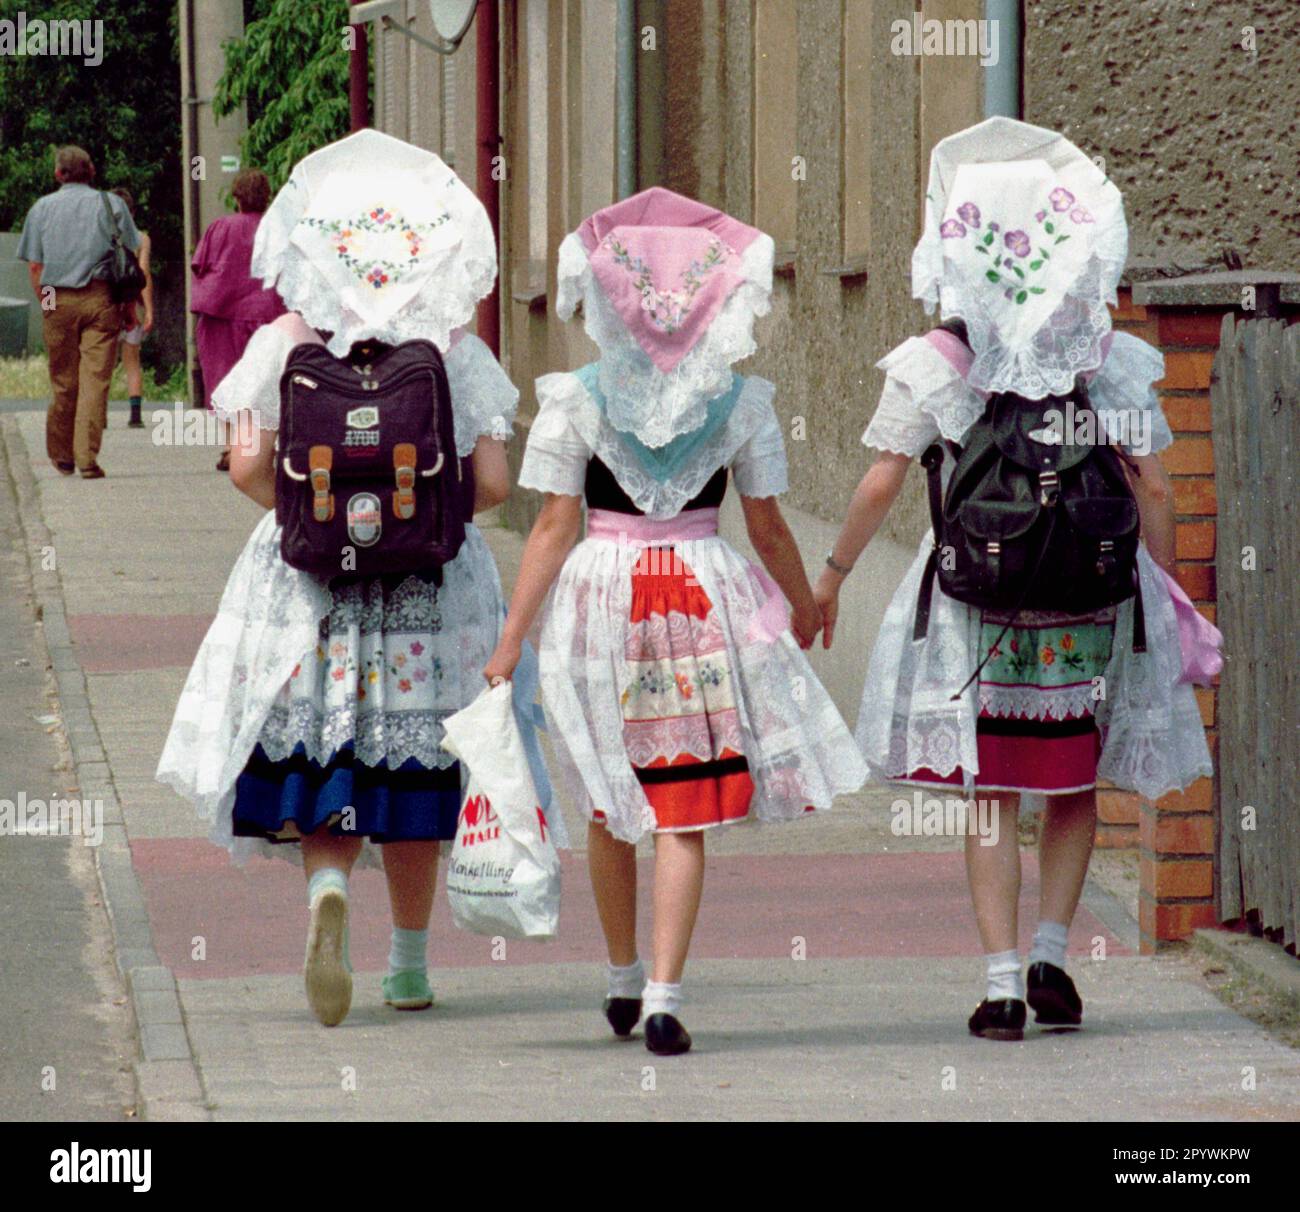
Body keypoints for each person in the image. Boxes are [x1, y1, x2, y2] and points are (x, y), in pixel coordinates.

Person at [814, 118, 1213, 1041]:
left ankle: (997, 987)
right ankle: (1051, 957)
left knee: (992, 788)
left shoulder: (943, 362)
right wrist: (1168, 582)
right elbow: (1153, 482)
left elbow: (882, 477)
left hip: (978, 604)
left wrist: (832, 576)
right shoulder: (1111, 364)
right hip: (1088, 603)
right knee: (1071, 784)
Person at [156, 129, 539, 1027]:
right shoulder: (452, 350)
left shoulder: (284, 341)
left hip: (309, 585)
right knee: (414, 761)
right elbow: (490, 484)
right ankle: (409, 966)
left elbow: (249, 466)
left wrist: (315, 520)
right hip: (428, 592)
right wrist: (418, 520)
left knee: (328, 745)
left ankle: (328, 888)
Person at [484, 187, 868, 1056]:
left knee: (606, 799)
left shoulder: (575, 398)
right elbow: (766, 522)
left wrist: (511, 641)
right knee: (682, 804)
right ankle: (662, 995)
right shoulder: (740, 401)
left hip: (601, 598)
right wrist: (805, 604)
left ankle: (621, 974)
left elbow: (551, 524)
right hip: (700, 590)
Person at [17, 144, 141, 479]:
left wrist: (47, 305)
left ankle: (61, 456)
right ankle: (86, 458)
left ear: (58, 174)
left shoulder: (41, 208)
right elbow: (127, 260)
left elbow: (34, 267)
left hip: (56, 297)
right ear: (92, 172)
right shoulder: (112, 204)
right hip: (102, 299)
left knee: (62, 379)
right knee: (94, 381)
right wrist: (129, 308)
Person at [190, 167, 286, 470]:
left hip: (224, 314)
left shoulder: (221, 227)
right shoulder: (279, 229)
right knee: (267, 380)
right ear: (267, 196)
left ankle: (232, 447)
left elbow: (200, 266)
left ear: (236, 197)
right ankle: (265, 446)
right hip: (269, 316)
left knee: (226, 378)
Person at [109, 187, 152, 429]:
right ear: (132, 211)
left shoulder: (102, 236)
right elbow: (143, 273)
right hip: (133, 305)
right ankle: (135, 414)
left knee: (103, 361)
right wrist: (149, 309)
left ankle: (99, 413)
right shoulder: (141, 238)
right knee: (132, 360)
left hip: (107, 304)